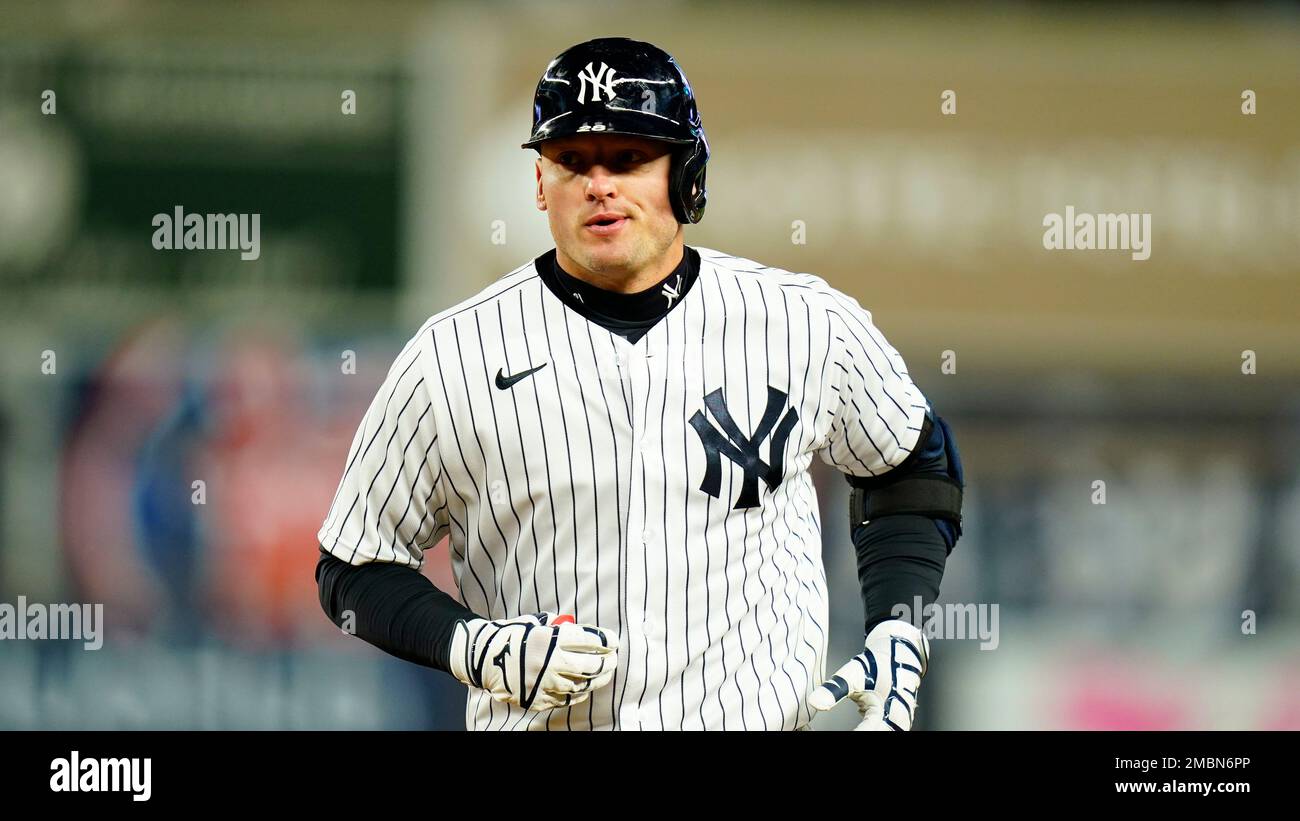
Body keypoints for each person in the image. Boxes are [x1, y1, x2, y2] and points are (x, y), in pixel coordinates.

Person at [314, 36, 964, 731]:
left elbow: (912, 468)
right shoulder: (452, 353)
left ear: (686, 175)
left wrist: (898, 624)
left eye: (629, 159)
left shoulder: (803, 322)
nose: (600, 184)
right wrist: (471, 644)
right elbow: (353, 566)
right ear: (539, 184)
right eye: (572, 162)